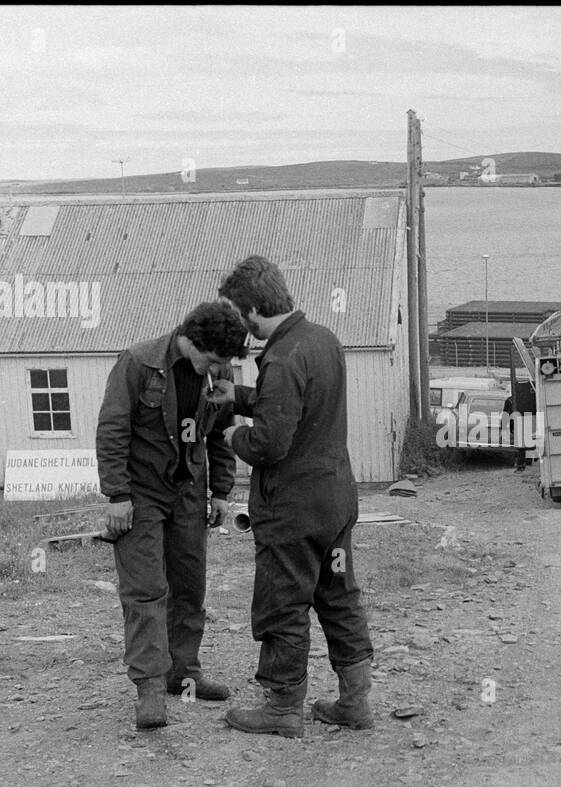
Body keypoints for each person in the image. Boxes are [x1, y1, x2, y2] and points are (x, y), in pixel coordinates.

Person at [210, 255, 375, 738]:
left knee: (283, 603)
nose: (242, 329)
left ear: (256, 310)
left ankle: (282, 709)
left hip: (292, 510)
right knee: (338, 595)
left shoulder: (281, 358)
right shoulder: (322, 339)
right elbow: (297, 404)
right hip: (335, 504)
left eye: (242, 318)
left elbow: (270, 443)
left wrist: (232, 437)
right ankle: (354, 702)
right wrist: (239, 396)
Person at [96, 300, 248, 730]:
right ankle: (149, 687)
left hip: (188, 492)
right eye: (214, 360)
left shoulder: (216, 372)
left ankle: (185, 672)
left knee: (189, 584)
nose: (218, 369)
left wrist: (221, 489)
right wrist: (117, 494)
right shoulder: (138, 363)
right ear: (194, 342)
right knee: (145, 589)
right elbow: (111, 428)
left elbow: (219, 430)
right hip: (139, 495)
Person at [502, 380, 537, 471]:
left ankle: (521, 465)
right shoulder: (532, 398)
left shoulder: (510, 400)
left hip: (518, 425)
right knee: (528, 445)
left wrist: (505, 427)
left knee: (521, 447)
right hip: (530, 423)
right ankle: (527, 463)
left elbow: (505, 414)